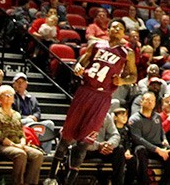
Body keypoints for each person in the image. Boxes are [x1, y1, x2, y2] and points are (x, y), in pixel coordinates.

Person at [45, 20, 137, 185]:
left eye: (121, 28)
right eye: (114, 26)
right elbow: (82, 62)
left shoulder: (127, 53)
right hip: (85, 91)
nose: (117, 29)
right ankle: (51, 177)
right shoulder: (96, 45)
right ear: (107, 30)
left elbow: (133, 76)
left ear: (124, 34)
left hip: (102, 98)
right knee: (67, 136)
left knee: (84, 141)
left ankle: (69, 182)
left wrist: (122, 81)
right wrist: (78, 67)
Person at [0, 85, 44, 185]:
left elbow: (21, 132)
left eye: (11, 95)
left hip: (18, 144)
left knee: (38, 155)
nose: (9, 97)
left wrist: (22, 143)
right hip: (3, 145)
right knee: (21, 154)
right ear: (0, 99)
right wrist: (14, 145)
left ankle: (29, 183)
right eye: (6, 95)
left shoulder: (16, 114)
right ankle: (17, 182)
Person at [129, 91, 170, 185]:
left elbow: (161, 131)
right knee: (140, 150)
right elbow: (138, 139)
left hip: (158, 146)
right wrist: (157, 150)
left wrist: (164, 139)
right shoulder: (134, 119)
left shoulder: (157, 117)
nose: (150, 102)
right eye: (147, 100)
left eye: (153, 100)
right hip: (144, 148)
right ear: (141, 102)